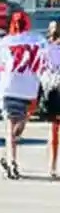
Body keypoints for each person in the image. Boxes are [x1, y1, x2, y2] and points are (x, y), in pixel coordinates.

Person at [0, 11, 47, 180]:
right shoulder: (39, 41)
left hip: (9, 88)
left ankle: (8, 157)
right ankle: (12, 163)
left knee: (13, 130)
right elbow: (46, 62)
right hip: (28, 90)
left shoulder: (4, 43)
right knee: (14, 129)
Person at [40, 21, 60, 179]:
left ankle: (52, 166)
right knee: (54, 130)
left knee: (54, 130)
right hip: (54, 90)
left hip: (53, 90)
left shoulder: (47, 48)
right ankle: (52, 165)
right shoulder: (47, 48)